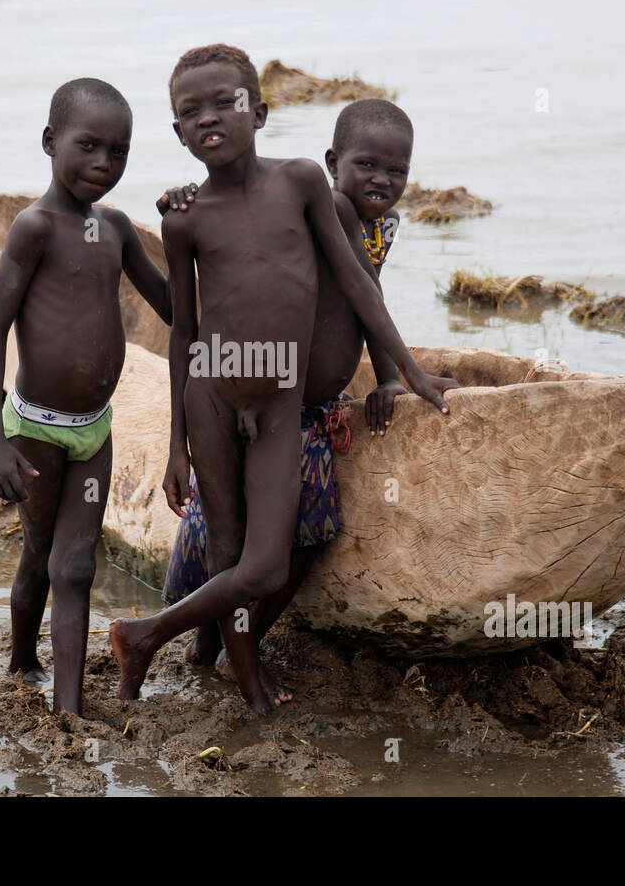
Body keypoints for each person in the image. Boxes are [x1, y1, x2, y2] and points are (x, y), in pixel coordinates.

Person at [110, 45, 456, 715]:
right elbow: (184, 330)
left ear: (260, 113)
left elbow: (359, 281)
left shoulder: (300, 183)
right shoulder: (182, 217)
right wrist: (177, 444)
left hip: (281, 401)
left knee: (263, 568)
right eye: (191, 112)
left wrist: (408, 372)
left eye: (226, 103)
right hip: (214, 394)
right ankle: (249, 686)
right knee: (226, 557)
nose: (210, 118)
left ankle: (145, 635)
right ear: (177, 132)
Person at [156, 99, 419, 702]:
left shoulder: (377, 224)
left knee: (267, 542)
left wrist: (389, 380)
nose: (381, 180)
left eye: (396, 172)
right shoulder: (326, 206)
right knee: (270, 542)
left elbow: (366, 299)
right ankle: (216, 650)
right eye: (367, 165)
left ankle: (210, 648)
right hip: (276, 404)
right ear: (332, 163)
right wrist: (184, 198)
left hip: (301, 405)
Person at [0, 78, 172, 716]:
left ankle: (68, 708)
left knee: (77, 565)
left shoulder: (115, 229)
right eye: (88, 146)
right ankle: (21, 660)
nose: (103, 165)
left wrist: (191, 233)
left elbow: (172, 307)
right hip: (33, 429)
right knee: (40, 554)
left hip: (93, 429)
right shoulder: (33, 228)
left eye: (119, 153)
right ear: (49, 142)